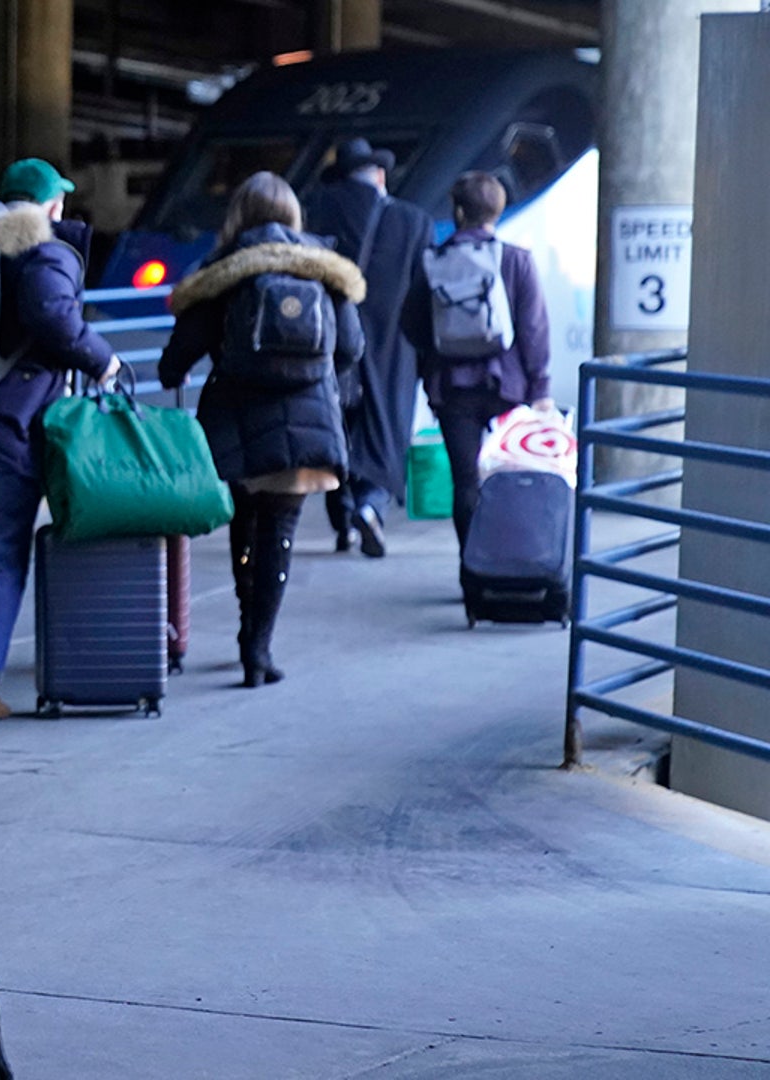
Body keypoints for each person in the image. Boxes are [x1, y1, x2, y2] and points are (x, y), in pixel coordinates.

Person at [0, 162, 120, 723]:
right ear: (50, 206)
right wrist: (100, 357)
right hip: (9, 420)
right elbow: (52, 313)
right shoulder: (41, 247)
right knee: (0, 549)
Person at [157, 172, 365, 687]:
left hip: (235, 415)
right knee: (280, 533)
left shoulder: (221, 272)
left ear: (238, 216)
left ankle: (245, 624)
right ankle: (258, 648)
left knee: (244, 525)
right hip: (306, 416)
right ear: (293, 215)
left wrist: (183, 370)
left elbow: (177, 357)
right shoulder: (322, 268)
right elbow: (351, 348)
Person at [406, 170, 553, 550]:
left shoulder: (433, 261)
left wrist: (435, 361)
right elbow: (533, 328)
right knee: (511, 479)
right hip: (509, 387)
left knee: (466, 484)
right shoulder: (516, 260)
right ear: (498, 211)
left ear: (457, 211)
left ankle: (472, 574)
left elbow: (411, 325)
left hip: (452, 390)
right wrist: (540, 389)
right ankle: (509, 566)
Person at [305, 137, 434, 558]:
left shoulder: (316, 213)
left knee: (334, 428)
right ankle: (369, 504)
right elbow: (423, 294)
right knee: (384, 430)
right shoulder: (413, 221)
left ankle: (343, 524)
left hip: (328, 342)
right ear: (379, 176)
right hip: (392, 348)